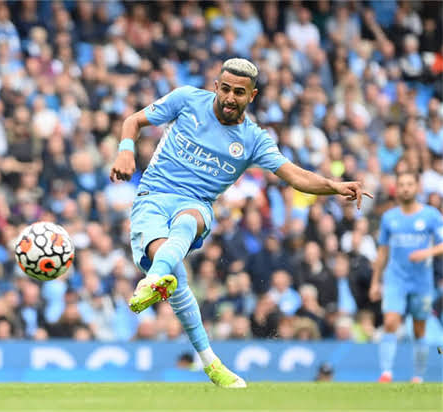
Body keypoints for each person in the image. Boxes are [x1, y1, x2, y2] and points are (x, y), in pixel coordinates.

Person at [110, 58, 372, 388]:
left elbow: (295, 176)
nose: (230, 98)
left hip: (196, 204)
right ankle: (210, 362)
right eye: (225, 89)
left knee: (188, 223)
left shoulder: (253, 140)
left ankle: (151, 281)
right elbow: (133, 120)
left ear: (252, 95)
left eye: (239, 92)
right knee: (174, 275)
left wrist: (333, 186)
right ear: (215, 86)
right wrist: (125, 151)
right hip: (153, 196)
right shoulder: (187, 99)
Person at [369, 170, 443, 383]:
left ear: (417, 187)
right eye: (401, 185)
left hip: (421, 281)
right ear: (397, 189)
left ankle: (418, 376)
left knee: (419, 329)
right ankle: (386, 373)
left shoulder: (431, 215)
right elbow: (382, 252)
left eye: (409, 184)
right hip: (396, 279)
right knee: (390, 322)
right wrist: (375, 282)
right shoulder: (389, 218)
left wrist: (426, 253)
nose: (405, 188)